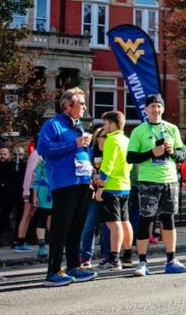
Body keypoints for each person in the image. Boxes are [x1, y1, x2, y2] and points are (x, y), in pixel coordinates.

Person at [36, 88, 97, 287]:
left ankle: (73, 266)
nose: (85, 107)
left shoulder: (79, 126)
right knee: (61, 228)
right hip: (64, 183)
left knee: (76, 227)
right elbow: (44, 149)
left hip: (81, 182)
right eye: (81, 104)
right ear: (68, 105)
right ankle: (53, 271)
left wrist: (90, 178)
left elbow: (84, 154)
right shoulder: (52, 125)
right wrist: (74, 144)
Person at [126, 93, 186, 276]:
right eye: (152, 106)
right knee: (146, 220)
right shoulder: (139, 131)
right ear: (146, 109)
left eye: (159, 106)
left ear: (163, 108)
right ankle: (143, 262)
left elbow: (181, 155)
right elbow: (130, 157)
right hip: (148, 181)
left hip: (169, 180)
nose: (156, 109)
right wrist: (151, 152)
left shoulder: (172, 129)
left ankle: (171, 260)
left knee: (168, 220)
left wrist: (171, 151)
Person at [94, 111, 133, 270]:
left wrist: (101, 186)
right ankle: (127, 256)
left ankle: (114, 259)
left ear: (111, 124)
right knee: (125, 222)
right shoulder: (126, 140)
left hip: (112, 186)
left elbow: (107, 164)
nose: (104, 127)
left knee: (113, 224)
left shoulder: (112, 140)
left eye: (105, 124)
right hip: (125, 184)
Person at [79, 126, 109, 268]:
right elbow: (83, 168)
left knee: (106, 226)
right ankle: (85, 257)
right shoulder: (91, 152)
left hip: (109, 192)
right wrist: (92, 176)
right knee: (89, 225)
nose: (105, 139)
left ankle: (107, 256)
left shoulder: (112, 152)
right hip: (93, 192)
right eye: (102, 136)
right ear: (97, 138)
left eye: (107, 136)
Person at [0, 146, 25, 248]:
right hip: (9, 194)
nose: (18, 157)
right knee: (3, 217)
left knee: (19, 217)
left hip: (19, 194)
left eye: (20, 155)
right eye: (16, 155)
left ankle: (17, 240)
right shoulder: (5, 166)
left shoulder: (22, 165)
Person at [20, 150, 52, 258]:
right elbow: (36, 180)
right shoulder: (42, 163)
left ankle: (56, 244)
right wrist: (34, 196)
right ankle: (42, 246)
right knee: (41, 220)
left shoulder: (60, 163)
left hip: (55, 194)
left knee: (54, 221)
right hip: (43, 194)